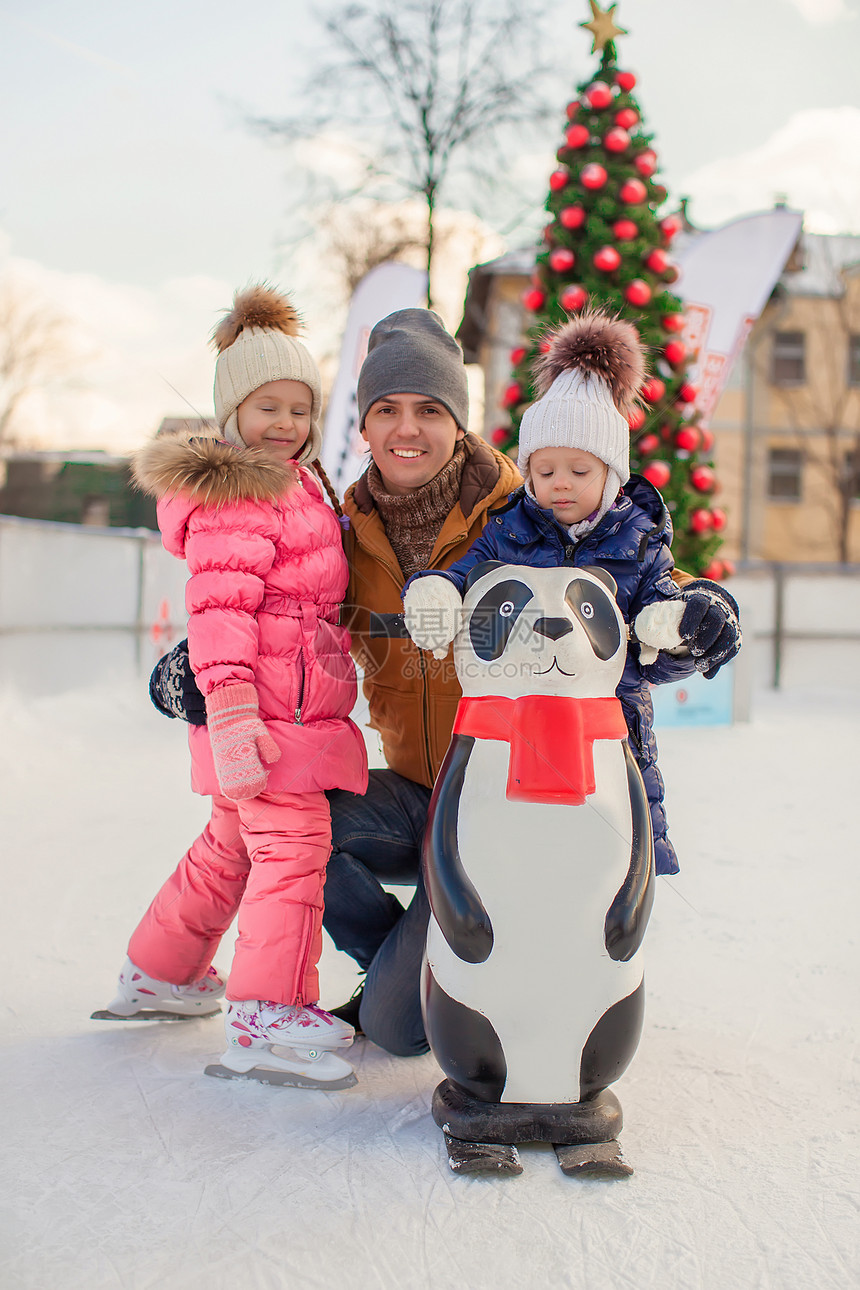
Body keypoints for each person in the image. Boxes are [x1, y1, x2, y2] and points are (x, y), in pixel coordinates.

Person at [150, 307, 741, 1060]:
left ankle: (424, 979)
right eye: (387, 410)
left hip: (499, 806)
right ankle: (415, 961)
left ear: (459, 423)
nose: (407, 428)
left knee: (395, 1031)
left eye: (430, 409)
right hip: (415, 793)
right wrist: (189, 671)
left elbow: (631, 593)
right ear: (362, 427)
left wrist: (700, 613)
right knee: (297, 827)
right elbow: (263, 605)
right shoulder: (340, 525)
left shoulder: (523, 511)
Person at [96, 285, 368, 1091]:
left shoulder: (297, 482)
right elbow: (219, 613)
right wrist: (237, 719)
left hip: (290, 706)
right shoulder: (244, 494)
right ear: (230, 414)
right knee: (292, 850)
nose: (284, 424)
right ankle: (266, 1012)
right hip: (265, 715)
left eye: (299, 408)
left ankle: (160, 971)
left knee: (228, 849)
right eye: (265, 407)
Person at [402, 308, 741, 889]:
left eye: (578, 470)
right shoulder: (509, 531)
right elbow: (468, 575)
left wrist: (675, 624)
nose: (559, 483)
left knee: (605, 863)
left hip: (611, 727)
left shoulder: (637, 543)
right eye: (545, 469)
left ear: (609, 474)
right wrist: (437, 591)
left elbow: (660, 612)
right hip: (517, 723)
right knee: (521, 858)